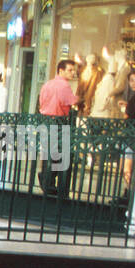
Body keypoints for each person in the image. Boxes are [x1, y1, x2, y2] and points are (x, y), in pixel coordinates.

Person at [38, 60, 79, 197]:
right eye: (70, 70)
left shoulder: (47, 84)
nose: (73, 73)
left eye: (73, 70)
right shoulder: (64, 86)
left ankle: (46, 179)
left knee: (48, 152)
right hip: (58, 121)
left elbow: (41, 102)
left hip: (45, 120)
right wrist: (80, 100)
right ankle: (48, 181)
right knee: (59, 154)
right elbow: (71, 101)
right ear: (61, 71)